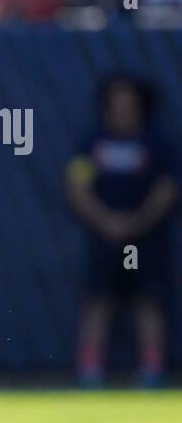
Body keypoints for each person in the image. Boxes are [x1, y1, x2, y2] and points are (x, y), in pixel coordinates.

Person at [67, 75, 178, 386]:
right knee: (98, 300)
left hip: (148, 239)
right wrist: (107, 221)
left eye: (128, 104)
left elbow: (167, 188)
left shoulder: (156, 145)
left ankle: (152, 370)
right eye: (117, 103)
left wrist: (138, 222)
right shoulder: (93, 143)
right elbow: (77, 185)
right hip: (104, 238)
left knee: (149, 301)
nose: (123, 110)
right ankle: (90, 370)